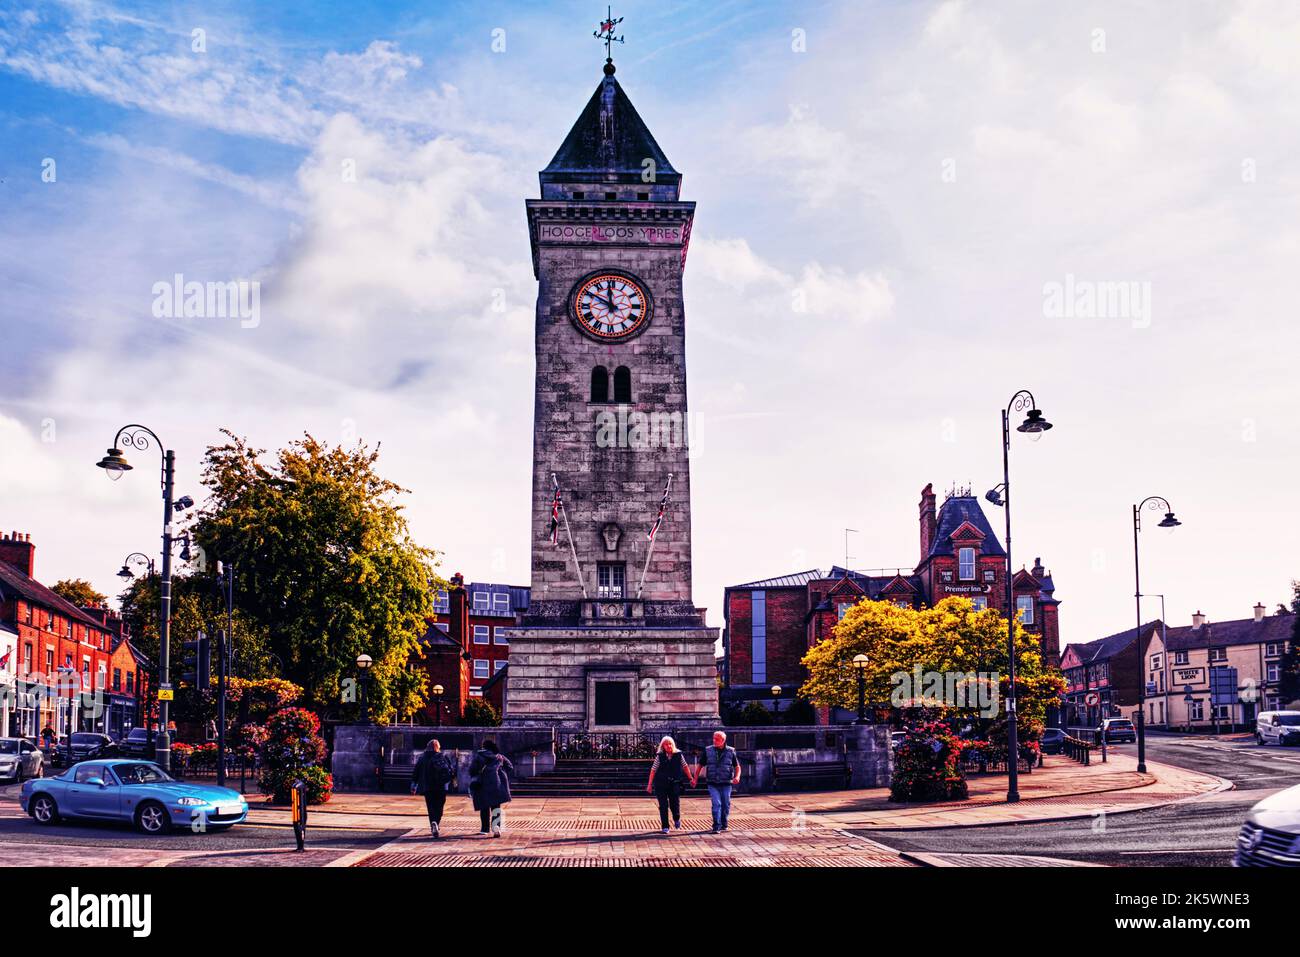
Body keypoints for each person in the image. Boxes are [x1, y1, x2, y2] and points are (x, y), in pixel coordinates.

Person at [695, 730, 741, 833]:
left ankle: (724, 823)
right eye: (714, 738)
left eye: (717, 739)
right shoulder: (708, 750)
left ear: (723, 740)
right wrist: (695, 778)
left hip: (726, 782)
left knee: (726, 804)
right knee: (717, 804)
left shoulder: (731, 751)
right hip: (712, 782)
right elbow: (700, 765)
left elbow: (737, 766)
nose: (714, 741)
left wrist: (737, 777)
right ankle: (716, 826)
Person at [410, 739, 457, 838]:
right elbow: (451, 770)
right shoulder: (443, 756)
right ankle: (436, 822)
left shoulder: (422, 758)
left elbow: (416, 772)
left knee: (431, 806)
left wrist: (414, 785)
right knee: (439, 806)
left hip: (428, 786)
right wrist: (454, 782)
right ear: (438, 747)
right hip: (442, 786)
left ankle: (433, 823)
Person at [646, 735, 693, 834]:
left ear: (673, 744)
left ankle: (676, 818)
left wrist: (690, 778)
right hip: (661, 784)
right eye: (666, 745)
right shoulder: (659, 756)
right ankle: (665, 826)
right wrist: (649, 784)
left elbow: (685, 767)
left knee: (674, 804)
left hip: (674, 783)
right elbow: (653, 770)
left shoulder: (678, 755)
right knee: (663, 805)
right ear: (663, 746)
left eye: (670, 744)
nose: (668, 746)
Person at [468, 738, 514, 837]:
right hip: (497, 784)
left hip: (482, 785)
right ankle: (496, 827)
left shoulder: (478, 757)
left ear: (483, 747)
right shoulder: (499, 757)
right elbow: (510, 767)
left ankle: (484, 829)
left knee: (484, 807)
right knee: (496, 807)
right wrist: (501, 772)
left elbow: (471, 770)